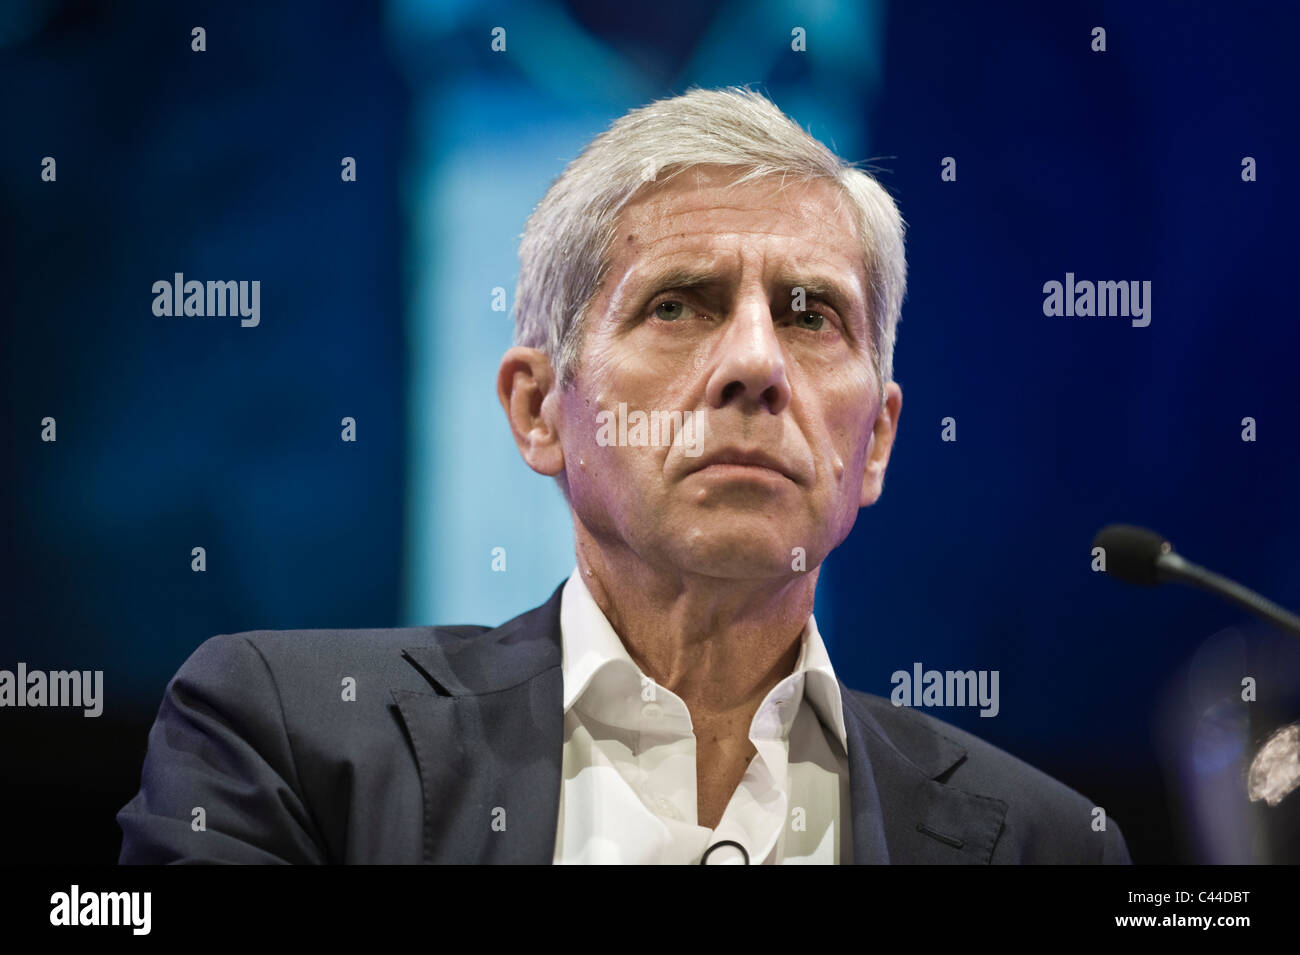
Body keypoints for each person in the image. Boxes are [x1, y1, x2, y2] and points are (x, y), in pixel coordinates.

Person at [117, 87, 1131, 864]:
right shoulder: (286, 741)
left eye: (810, 314)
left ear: (873, 443)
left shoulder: (1044, 841)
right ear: (539, 409)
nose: (755, 364)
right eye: (679, 304)